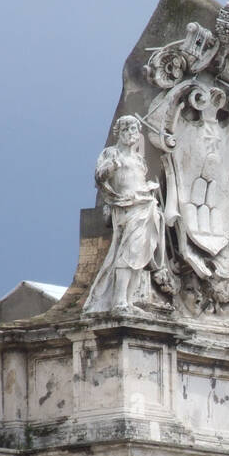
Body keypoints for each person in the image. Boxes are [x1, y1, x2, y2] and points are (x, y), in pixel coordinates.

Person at [85, 115, 169, 313]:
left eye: (133, 129)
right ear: (119, 133)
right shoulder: (111, 154)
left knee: (139, 255)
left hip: (144, 206)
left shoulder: (139, 159)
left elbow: (137, 181)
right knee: (127, 253)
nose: (130, 134)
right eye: (126, 130)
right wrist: (111, 166)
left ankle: (128, 301)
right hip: (126, 207)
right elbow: (99, 178)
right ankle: (118, 300)